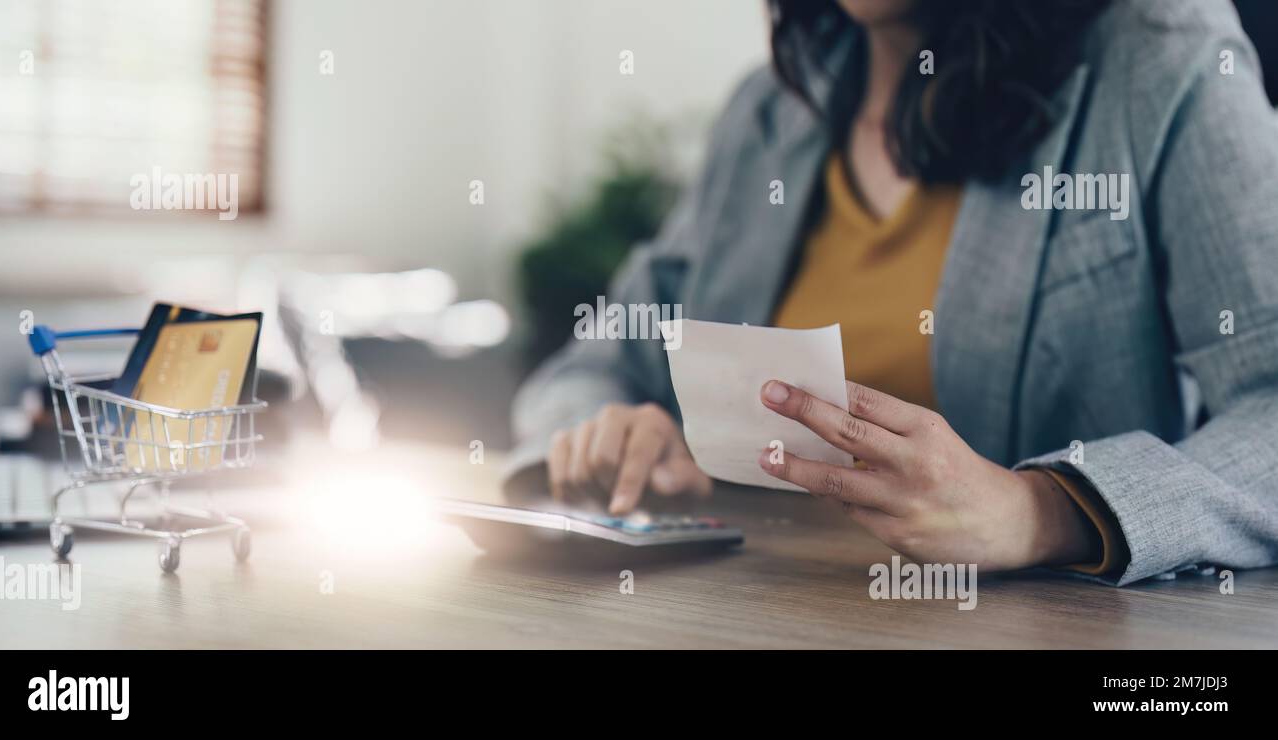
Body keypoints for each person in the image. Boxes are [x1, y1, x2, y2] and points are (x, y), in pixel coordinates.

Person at [507, 0, 1278, 585]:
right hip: (747, 616)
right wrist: (599, 438)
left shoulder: (1161, 61)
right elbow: (588, 365)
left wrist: (1042, 510)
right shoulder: (770, 111)